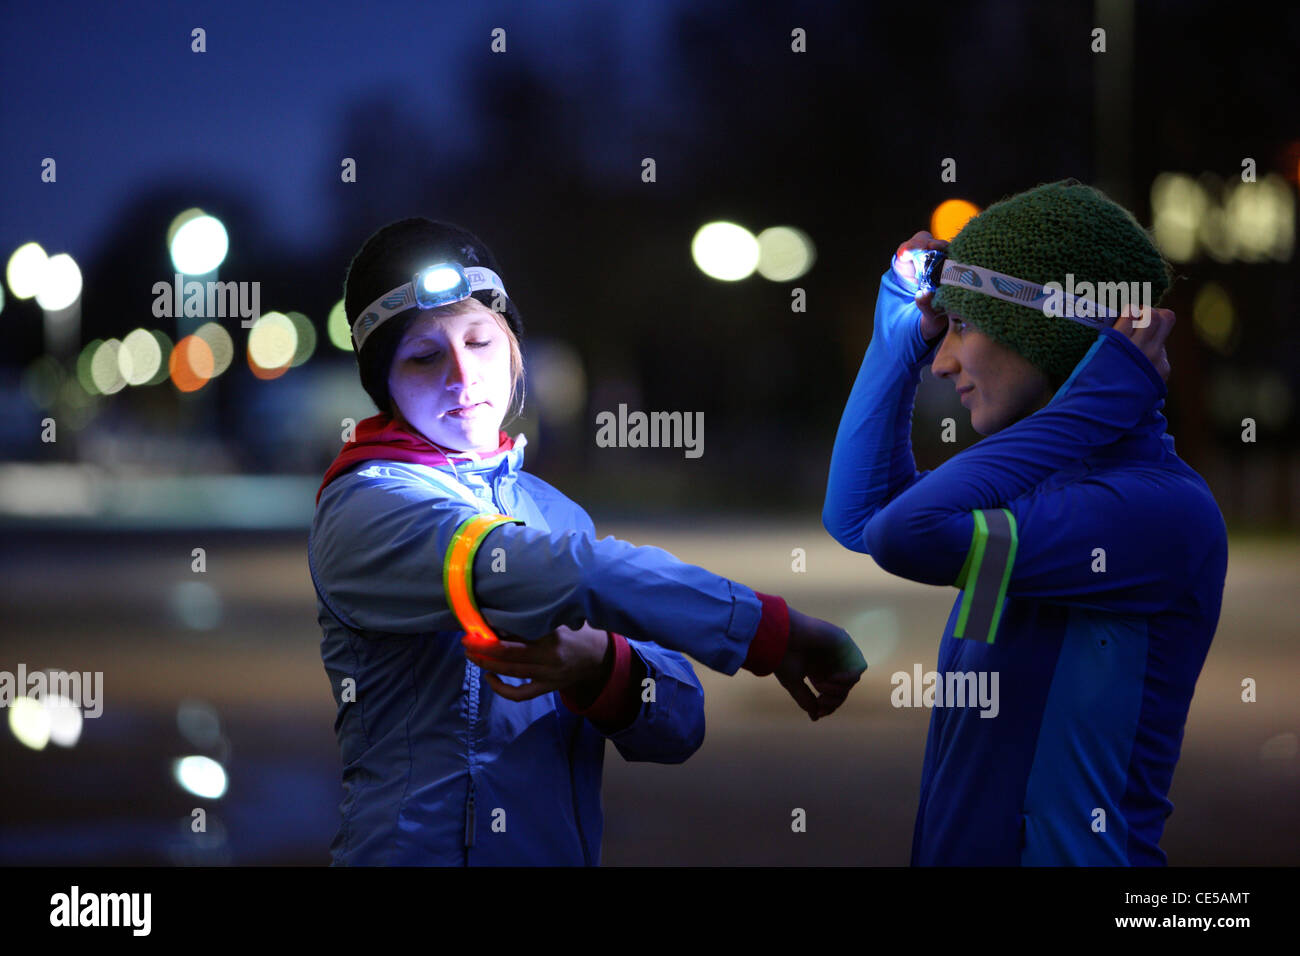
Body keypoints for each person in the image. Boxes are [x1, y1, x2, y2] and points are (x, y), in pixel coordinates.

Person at [309, 218, 866, 865]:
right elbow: (564, 574)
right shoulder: (369, 505)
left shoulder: (550, 510)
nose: (463, 374)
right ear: (383, 382)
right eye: (424, 355)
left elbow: (680, 724)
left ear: (515, 347)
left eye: (481, 339)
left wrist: (606, 668)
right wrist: (771, 629)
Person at [822, 180, 1228, 865]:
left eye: (964, 324)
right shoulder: (1043, 482)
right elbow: (860, 517)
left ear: (1052, 331)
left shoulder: (1158, 510)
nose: (942, 360)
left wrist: (1097, 391)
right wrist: (895, 342)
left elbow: (903, 534)